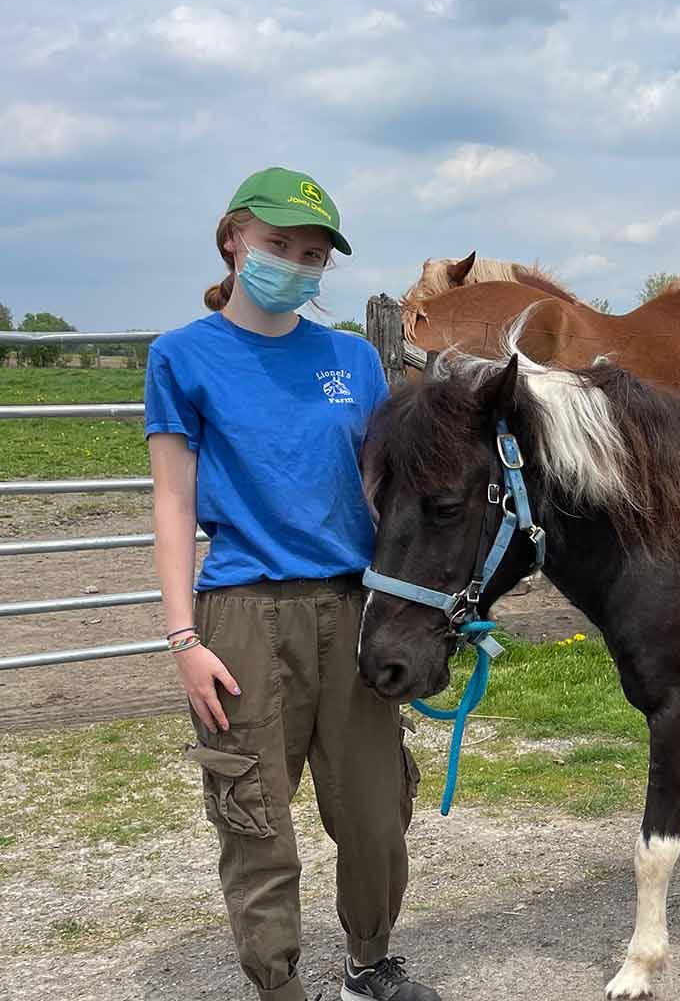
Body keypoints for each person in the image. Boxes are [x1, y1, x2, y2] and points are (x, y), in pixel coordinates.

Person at [146, 167, 439, 1001]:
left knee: (377, 815)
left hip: (353, 608)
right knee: (257, 823)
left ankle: (370, 964)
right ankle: (278, 985)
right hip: (241, 616)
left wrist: (424, 610)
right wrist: (183, 639)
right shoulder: (183, 356)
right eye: (277, 245)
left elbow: (393, 495)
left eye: (312, 254)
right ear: (234, 238)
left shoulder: (352, 359)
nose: (294, 263)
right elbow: (172, 502)